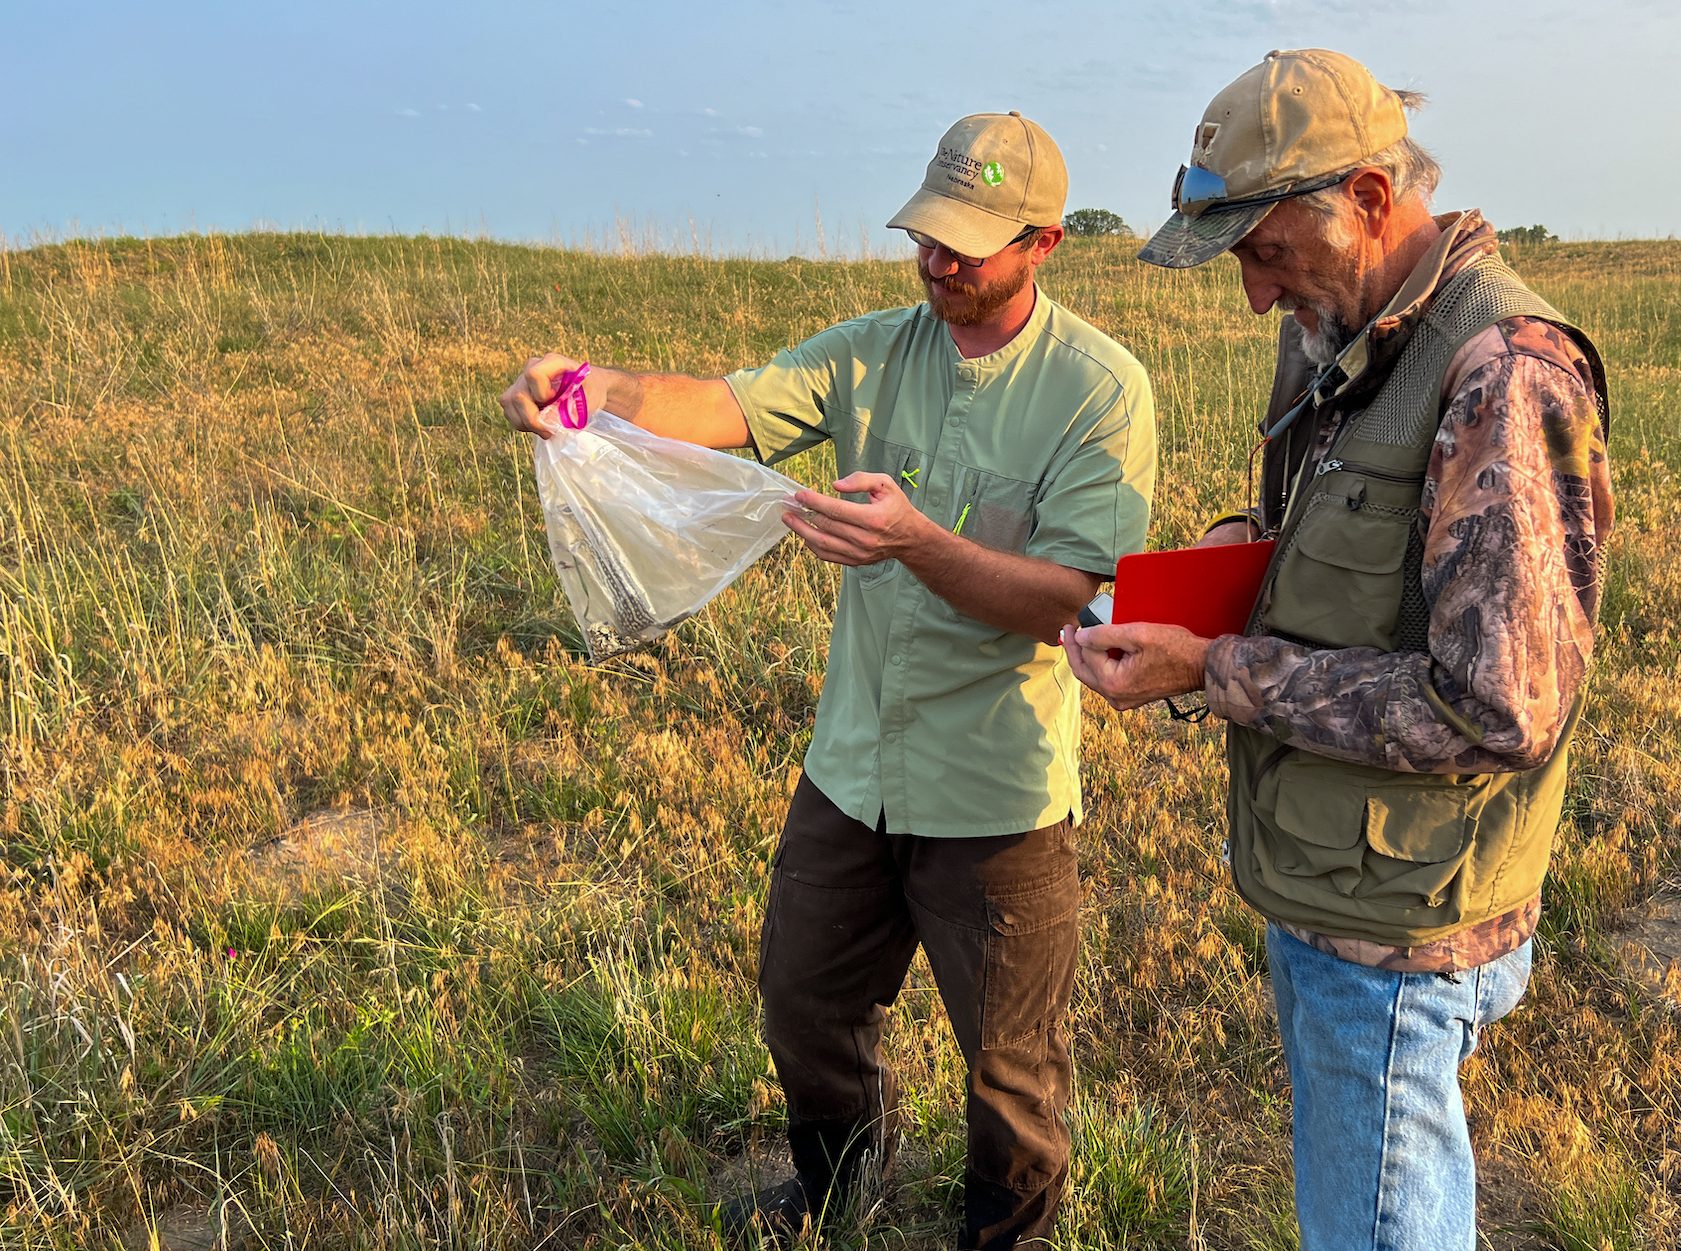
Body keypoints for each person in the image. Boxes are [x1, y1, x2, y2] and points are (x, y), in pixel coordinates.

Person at [501, 111, 1156, 1249]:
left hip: (993, 790)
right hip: (852, 769)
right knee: (803, 1003)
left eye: (971, 243)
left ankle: (1009, 1233)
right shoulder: (869, 351)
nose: (938, 262)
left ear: (1045, 242)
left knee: (1009, 1066)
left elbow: (1069, 596)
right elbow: (725, 410)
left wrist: (916, 545)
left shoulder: (1100, 390)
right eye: (929, 236)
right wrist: (587, 389)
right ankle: (838, 1181)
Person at [1059, 50, 1612, 1250]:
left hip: (1401, 929)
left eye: (1265, 253)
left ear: (1367, 198)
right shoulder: (1341, 327)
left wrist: (1214, 671)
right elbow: (1342, 536)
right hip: (1335, 880)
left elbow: (1498, 706)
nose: (1256, 295)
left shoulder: (1502, 376)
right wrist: (1234, 552)